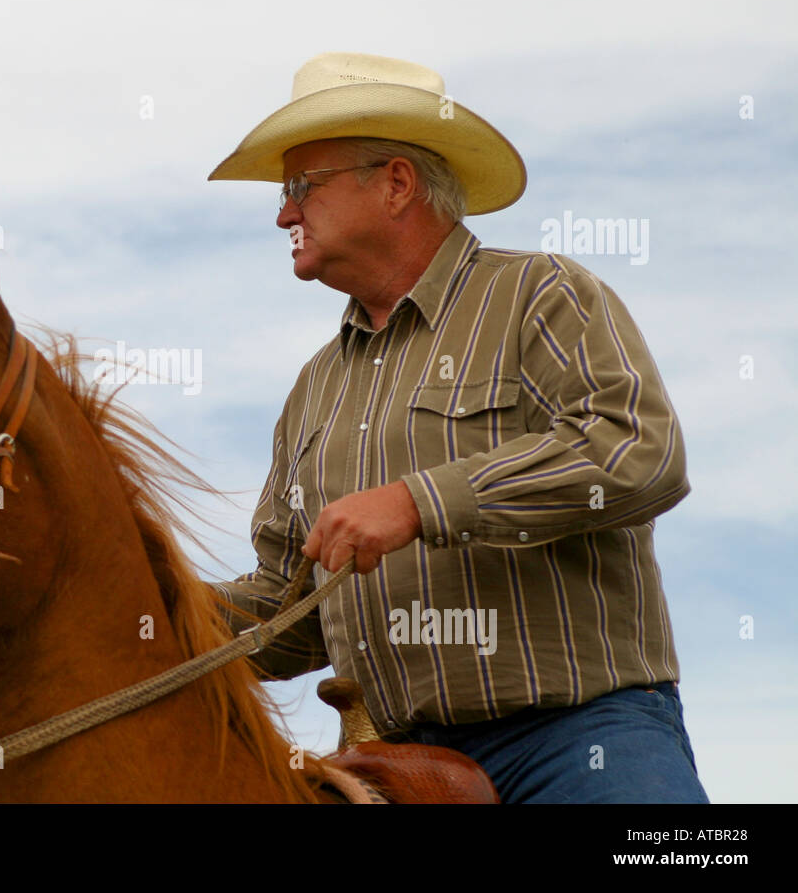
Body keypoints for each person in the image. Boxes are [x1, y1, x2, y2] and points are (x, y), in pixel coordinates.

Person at [206, 52, 709, 803]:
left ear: (397, 183)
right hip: (396, 769)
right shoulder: (310, 392)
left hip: (581, 737)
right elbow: (292, 615)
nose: (283, 213)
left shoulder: (541, 294)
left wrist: (419, 502)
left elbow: (640, 450)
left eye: (300, 187)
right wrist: (144, 611)